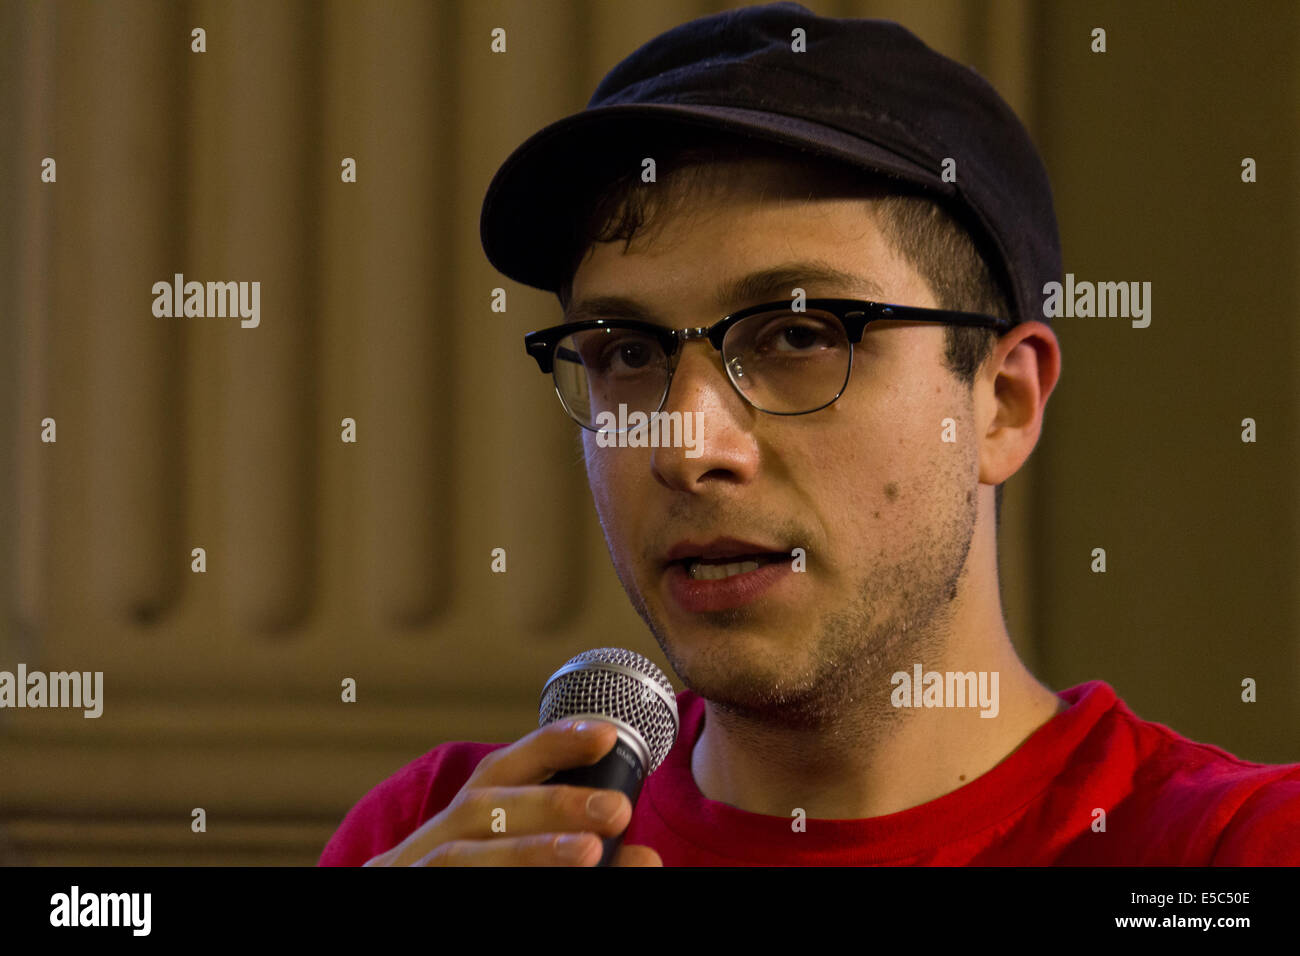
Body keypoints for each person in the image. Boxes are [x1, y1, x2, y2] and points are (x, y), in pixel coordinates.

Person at [320, 2, 1300, 866]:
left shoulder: (1231, 850)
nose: (685, 446)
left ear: (1002, 402)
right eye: (625, 351)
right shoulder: (456, 829)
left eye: (797, 335)